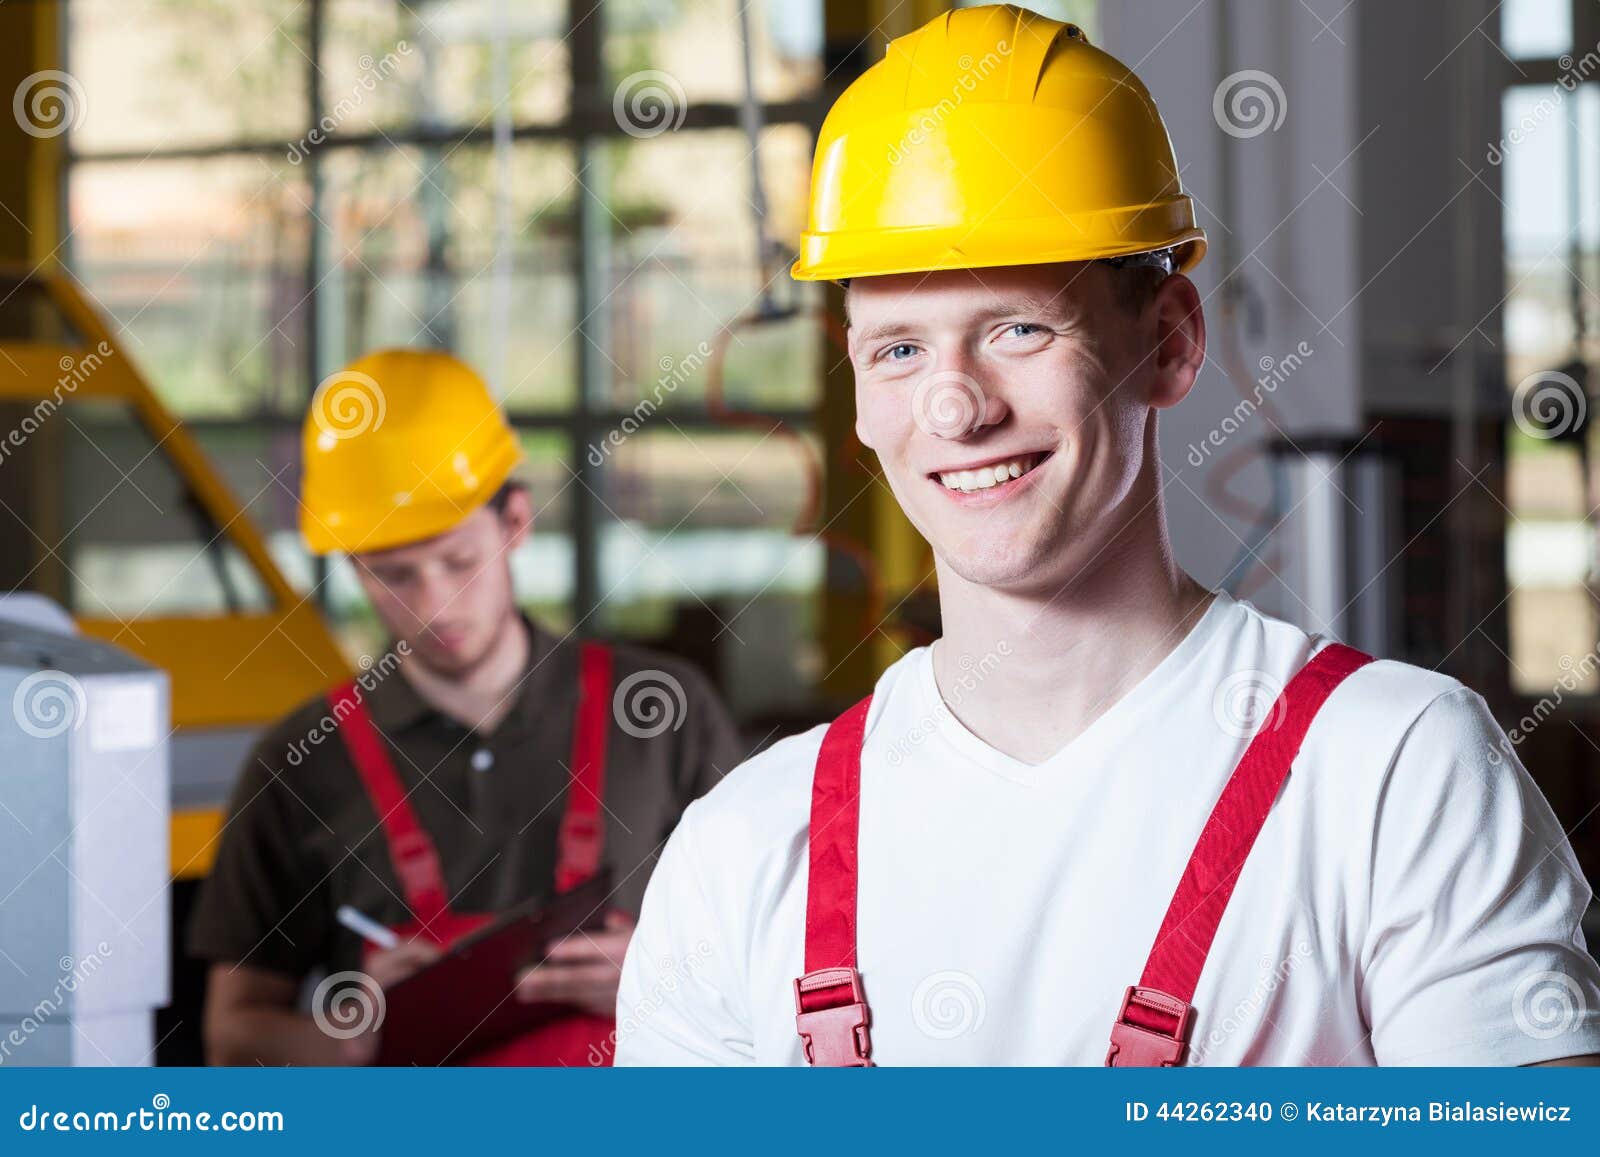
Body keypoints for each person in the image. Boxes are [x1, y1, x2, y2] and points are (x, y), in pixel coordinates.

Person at [614, 5, 1600, 1066]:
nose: (954, 408)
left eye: (1018, 328)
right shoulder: (744, 849)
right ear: (853, 390)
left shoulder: (1394, 774)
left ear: (1170, 344)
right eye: (898, 349)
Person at [190, 349, 741, 1066]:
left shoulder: (664, 713)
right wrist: (346, 1034)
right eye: (392, 575)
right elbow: (231, 1033)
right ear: (353, 564)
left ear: (515, 520)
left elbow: (788, 953)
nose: (433, 603)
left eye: (457, 561)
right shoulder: (301, 760)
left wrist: (664, 982)